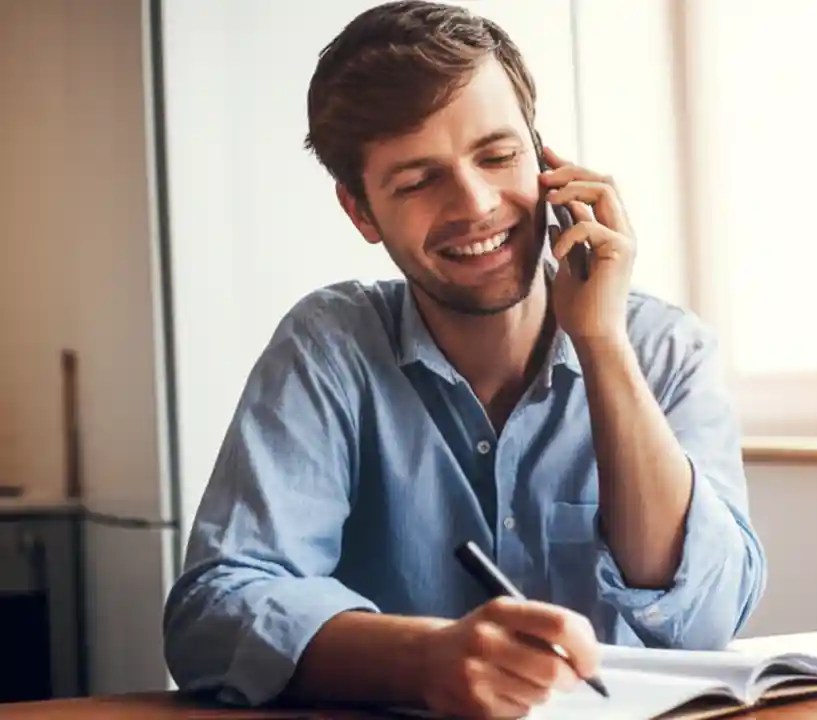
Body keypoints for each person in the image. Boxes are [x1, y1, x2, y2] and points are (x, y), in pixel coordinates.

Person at [162, 2, 765, 716]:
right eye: (418, 181)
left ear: (547, 163)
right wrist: (421, 661)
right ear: (361, 212)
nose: (475, 204)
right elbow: (213, 612)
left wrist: (602, 344)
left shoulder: (664, 348)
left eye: (498, 156)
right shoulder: (331, 347)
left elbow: (705, 620)